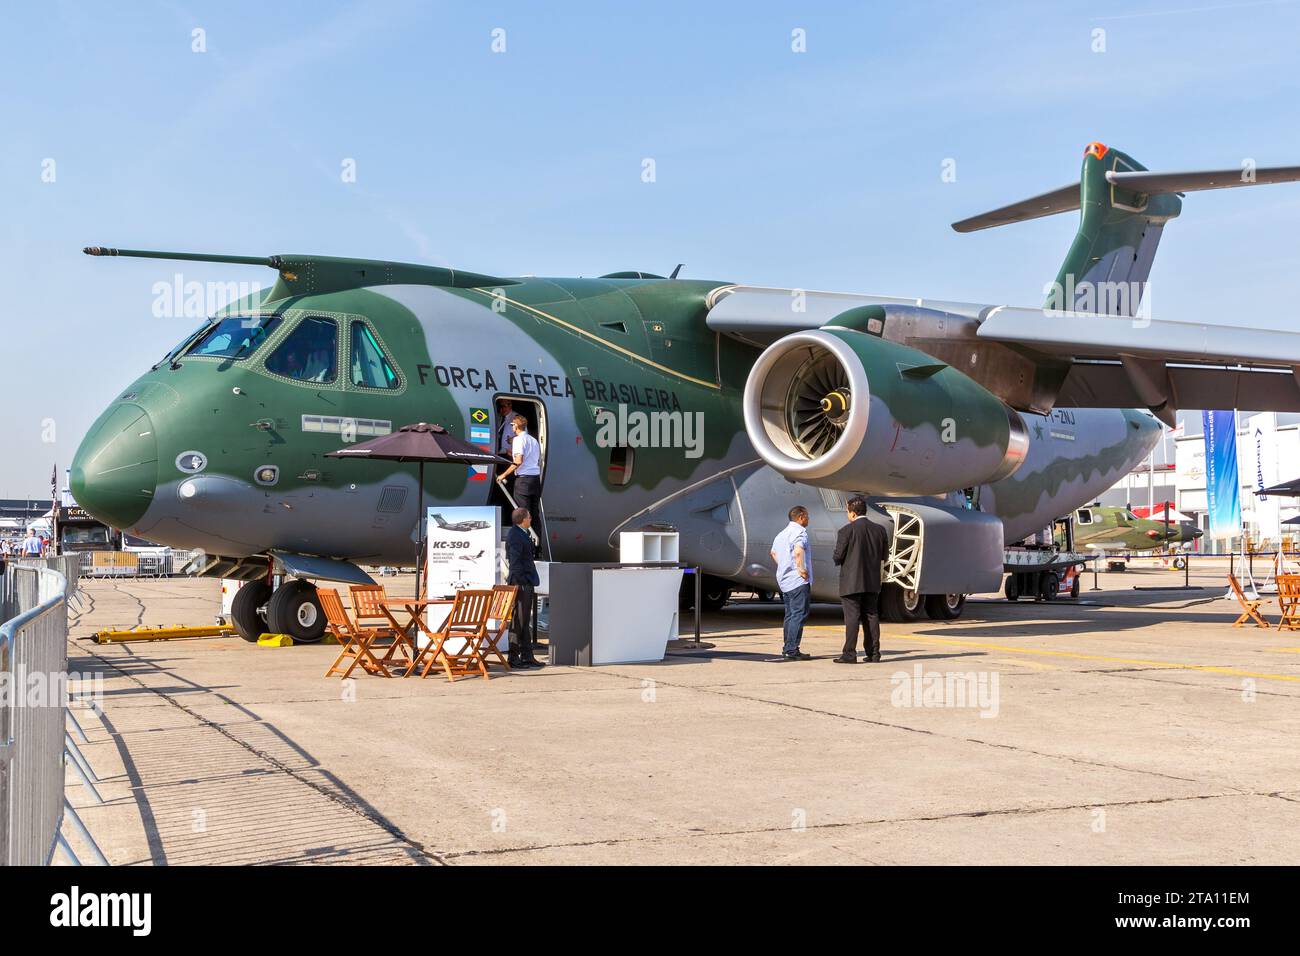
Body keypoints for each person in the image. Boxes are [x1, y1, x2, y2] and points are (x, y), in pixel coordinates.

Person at [832, 496, 889, 663]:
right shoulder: (880, 530)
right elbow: (884, 556)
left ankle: (849, 654)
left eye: (847, 511)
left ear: (853, 512)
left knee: (852, 618)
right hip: (872, 581)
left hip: (851, 581)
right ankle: (874, 653)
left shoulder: (846, 531)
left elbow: (838, 557)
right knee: (871, 615)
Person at [769, 505, 813, 661]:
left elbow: (773, 553)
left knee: (789, 615)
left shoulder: (781, 534)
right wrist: (800, 569)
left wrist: (784, 566)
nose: (808, 519)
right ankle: (792, 649)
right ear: (800, 517)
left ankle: (787, 647)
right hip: (797, 581)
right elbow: (799, 550)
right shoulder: (800, 532)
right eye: (807, 516)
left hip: (784, 580)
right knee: (799, 614)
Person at [505, 507, 544, 669]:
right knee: (518, 621)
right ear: (523, 519)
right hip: (521, 583)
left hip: (525, 582)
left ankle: (527, 655)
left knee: (524, 620)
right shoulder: (515, 535)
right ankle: (514, 657)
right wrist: (522, 581)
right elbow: (515, 562)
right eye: (529, 517)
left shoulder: (521, 533)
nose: (531, 519)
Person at [499, 414, 542, 535]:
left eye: (512, 424)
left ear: (516, 426)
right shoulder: (533, 440)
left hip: (523, 481)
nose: (511, 426)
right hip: (535, 480)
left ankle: (523, 543)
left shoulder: (518, 440)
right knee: (534, 514)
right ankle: (537, 547)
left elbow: (518, 461)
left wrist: (503, 475)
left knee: (521, 514)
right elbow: (529, 458)